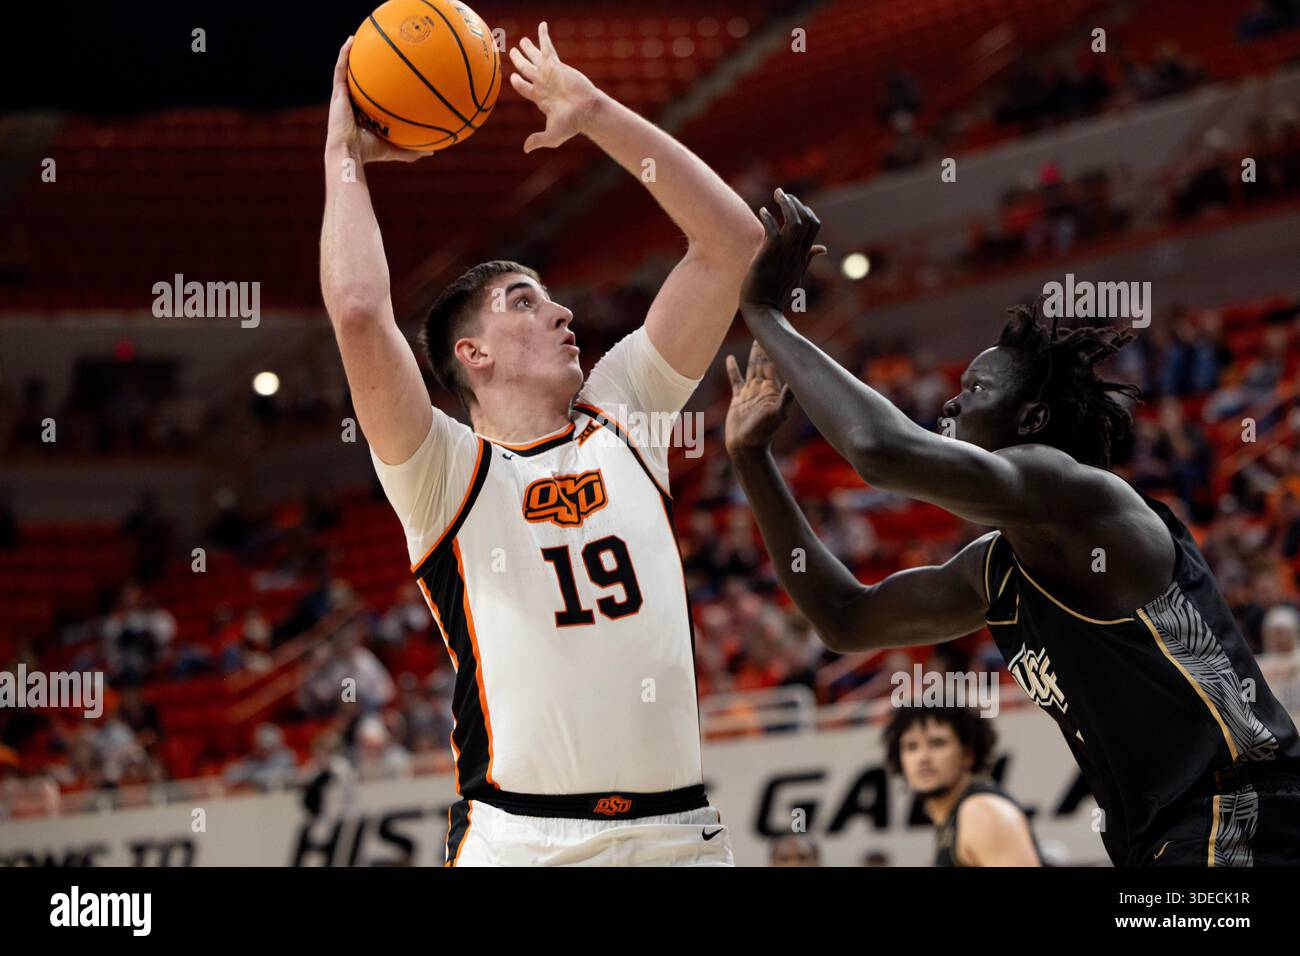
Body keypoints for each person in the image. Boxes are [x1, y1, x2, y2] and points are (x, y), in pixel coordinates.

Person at [724, 190, 1300, 867]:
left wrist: (766, 314)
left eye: (975, 391)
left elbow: (881, 451)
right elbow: (845, 619)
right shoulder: (995, 568)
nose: (949, 399)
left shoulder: (1079, 495)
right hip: (1163, 839)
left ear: (1029, 423)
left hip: (1244, 812)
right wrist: (750, 458)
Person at [319, 23, 763, 867]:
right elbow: (357, 311)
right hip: (521, 839)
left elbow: (732, 246)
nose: (561, 313)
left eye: (550, 298)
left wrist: (594, 112)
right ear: (471, 355)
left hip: (681, 837)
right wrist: (344, 149)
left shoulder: (624, 411)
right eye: (524, 302)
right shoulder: (442, 472)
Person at [883, 706, 1040, 866]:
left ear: (967, 754)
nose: (923, 757)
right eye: (911, 747)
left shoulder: (981, 813)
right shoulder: (953, 817)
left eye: (937, 743)